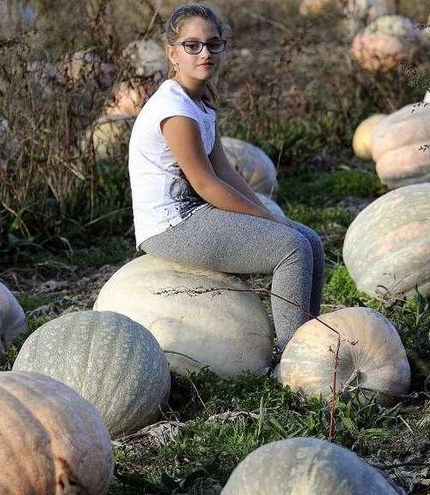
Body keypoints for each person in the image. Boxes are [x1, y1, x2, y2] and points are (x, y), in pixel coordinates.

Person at [129, 3, 325, 352]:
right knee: (292, 248)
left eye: (212, 44)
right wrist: (266, 218)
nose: (204, 53)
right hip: (170, 226)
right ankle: (292, 355)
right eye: (192, 46)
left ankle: (313, 343)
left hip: (196, 214)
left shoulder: (200, 102)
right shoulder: (174, 110)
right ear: (172, 53)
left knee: (310, 240)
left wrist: (266, 211)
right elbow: (206, 184)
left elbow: (223, 170)